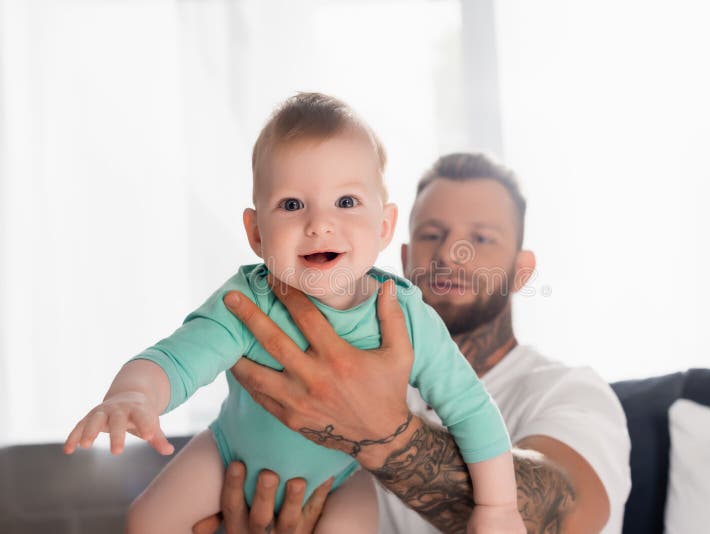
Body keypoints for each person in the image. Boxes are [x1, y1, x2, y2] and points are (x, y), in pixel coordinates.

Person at [63, 94, 524, 533]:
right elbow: (176, 361)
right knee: (147, 521)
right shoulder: (251, 298)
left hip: (342, 479)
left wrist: (499, 509)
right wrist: (134, 396)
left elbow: (471, 409)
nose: (319, 223)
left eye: (346, 202)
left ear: (383, 227)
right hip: (229, 455)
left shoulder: (403, 314)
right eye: (291, 204)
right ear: (257, 233)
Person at [197, 153, 632, 533]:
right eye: (431, 235)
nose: (449, 253)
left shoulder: (570, 393)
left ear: (521, 271)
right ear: (404, 260)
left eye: (481, 238)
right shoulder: (330, 378)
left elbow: (562, 520)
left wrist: (379, 433)